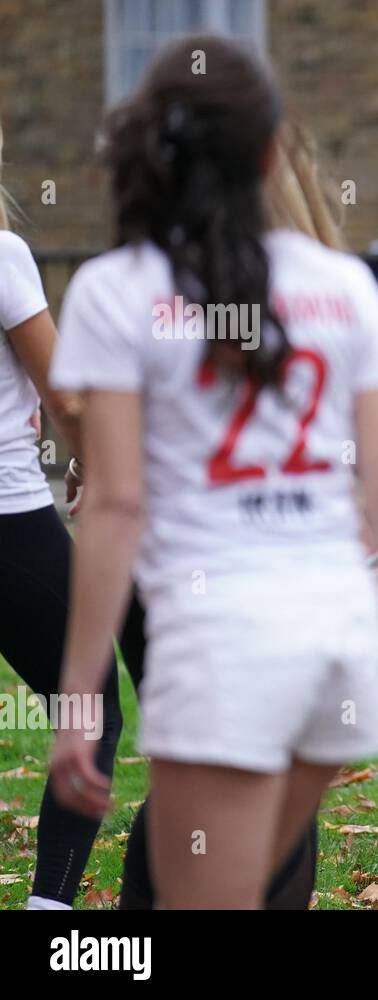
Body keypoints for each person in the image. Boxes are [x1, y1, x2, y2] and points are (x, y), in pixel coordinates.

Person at [46, 36, 378, 908]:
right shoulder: (345, 287)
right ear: (274, 154)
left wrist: (79, 699)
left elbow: (113, 506)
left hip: (221, 641)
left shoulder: (116, 290)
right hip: (338, 640)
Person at [117, 119, 353, 910]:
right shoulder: (329, 294)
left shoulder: (150, 283)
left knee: (197, 779)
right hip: (244, 576)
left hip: (174, 572)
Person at [0, 117, 150, 910]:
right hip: (7, 518)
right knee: (87, 705)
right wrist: (96, 465)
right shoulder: (5, 255)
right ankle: (49, 906)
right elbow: (63, 391)